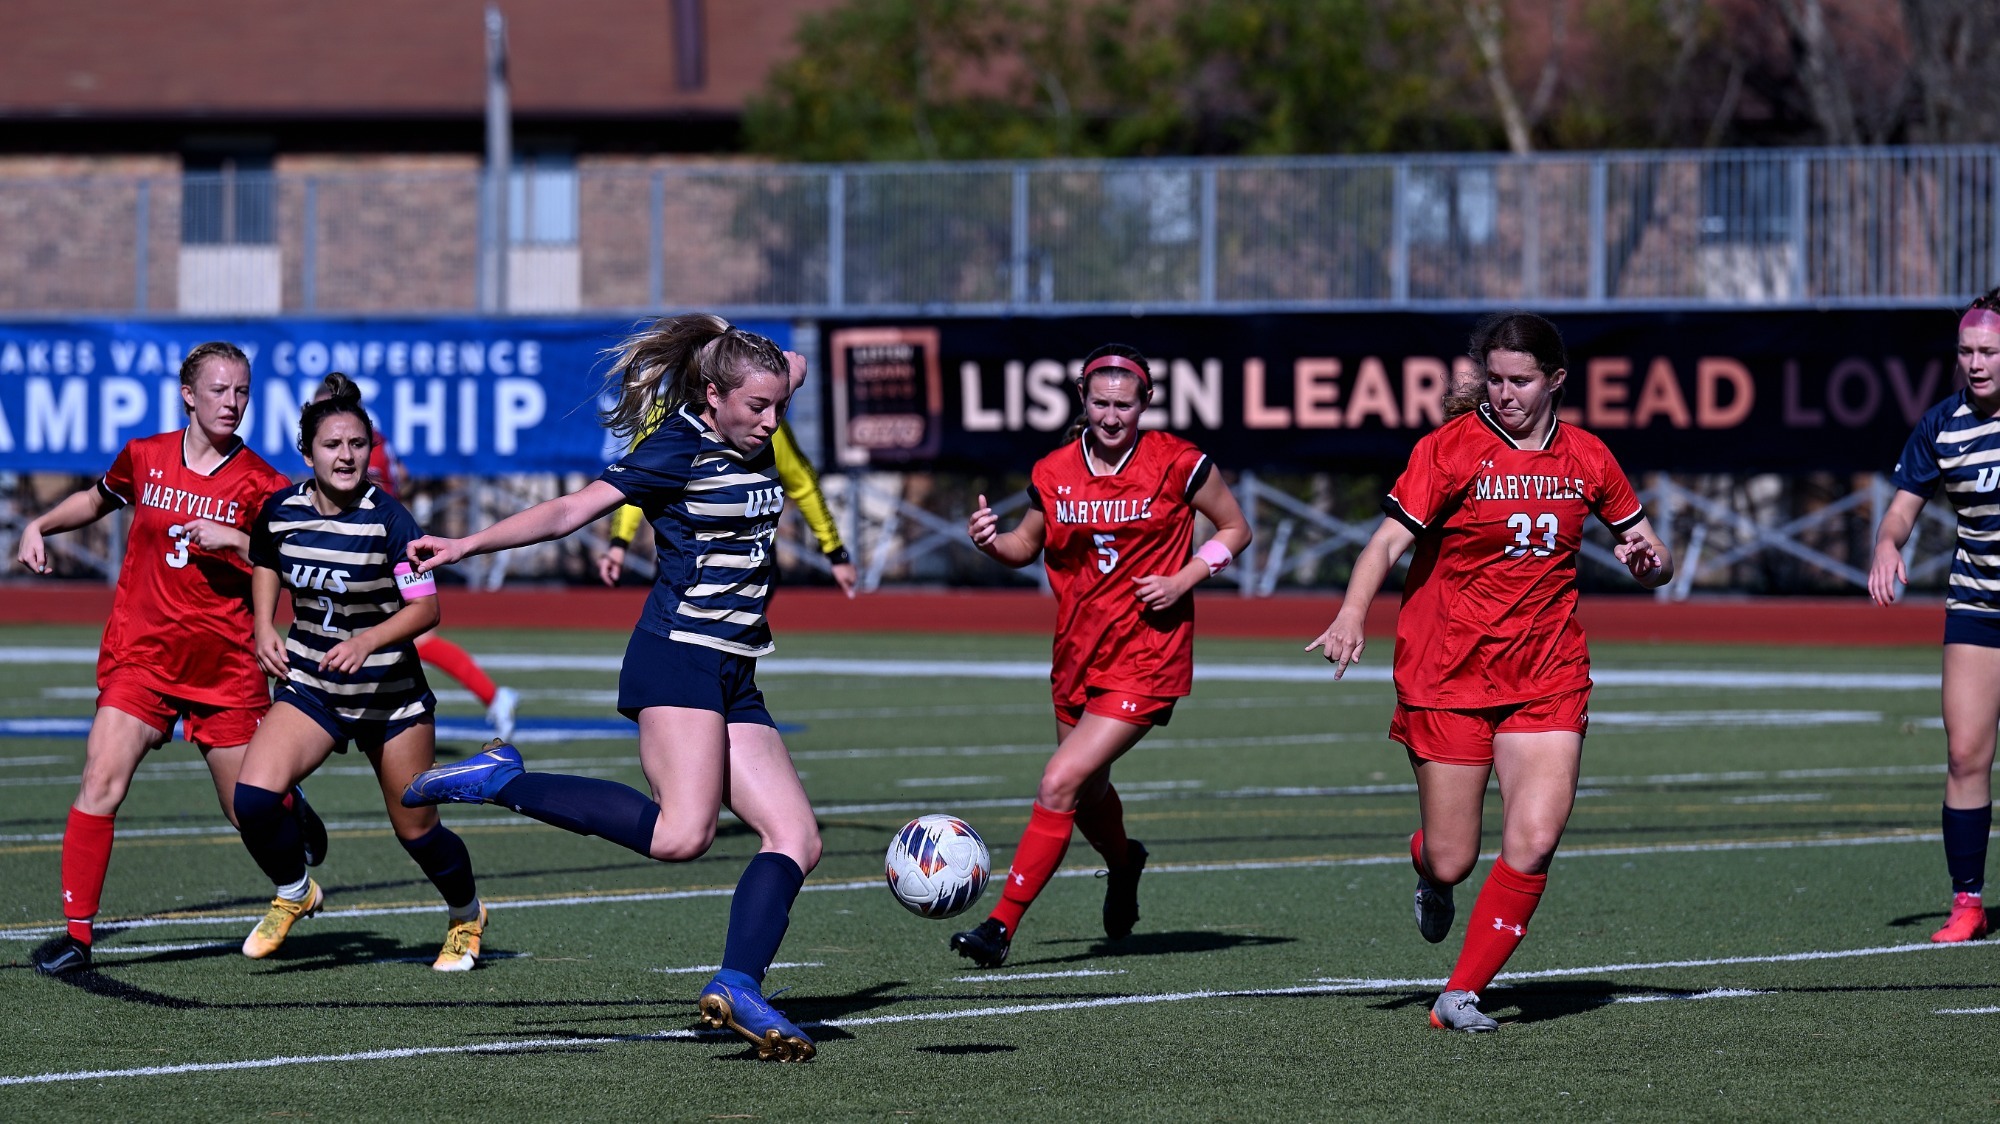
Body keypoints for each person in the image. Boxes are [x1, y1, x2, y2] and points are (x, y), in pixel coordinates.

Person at [397, 314, 822, 1061]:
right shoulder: (676, 448)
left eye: (780, 406)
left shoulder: (754, 399)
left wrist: (725, 336)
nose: (772, 421)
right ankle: (506, 781)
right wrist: (465, 545)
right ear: (714, 395)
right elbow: (569, 511)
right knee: (680, 834)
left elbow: (793, 359)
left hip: (734, 668)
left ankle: (739, 982)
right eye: (757, 407)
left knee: (797, 837)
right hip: (678, 658)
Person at [1307, 313, 1672, 1032]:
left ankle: (1460, 994)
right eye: (1495, 380)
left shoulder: (1589, 457)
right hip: (1449, 672)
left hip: (1549, 671)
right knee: (1451, 860)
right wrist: (1352, 612)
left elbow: (1649, 550)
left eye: (1521, 381)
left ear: (1556, 381)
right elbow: (1384, 543)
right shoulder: (1450, 450)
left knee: (1535, 838)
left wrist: (1652, 564)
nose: (1504, 394)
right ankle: (1428, 873)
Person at [14, 342, 326, 976]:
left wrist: (238, 540)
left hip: (225, 667)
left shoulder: (265, 485)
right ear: (189, 395)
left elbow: (294, 568)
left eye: (242, 392)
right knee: (101, 778)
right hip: (142, 657)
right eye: (219, 391)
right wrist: (39, 526)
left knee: (248, 810)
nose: (232, 403)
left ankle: (289, 816)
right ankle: (78, 936)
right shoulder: (145, 457)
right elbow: (99, 499)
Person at [951, 344, 1252, 968]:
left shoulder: (1178, 462)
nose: (1112, 416)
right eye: (1100, 403)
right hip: (1077, 653)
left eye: (1124, 404)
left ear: (1145, 403)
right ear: (1083, 400)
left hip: (1149, 653)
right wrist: (990, 544)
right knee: (1088, 793)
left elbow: (1235, 529)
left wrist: (1186, 577)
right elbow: (1023, 547)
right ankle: (1124, 861)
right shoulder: (1054, 470)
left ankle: (999, 927)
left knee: (1060, 781)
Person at [230, 374, 487, 968]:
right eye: (332, 445)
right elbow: (265, 559)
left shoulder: (391, 520)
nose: (346, 456)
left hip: (390, 700)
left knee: (417, 832)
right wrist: (262, 626)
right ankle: (295, 891)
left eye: (357, 445)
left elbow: (428, 608)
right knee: (254, 799)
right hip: (314, 688)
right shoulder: (282, 509)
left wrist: (370, 638)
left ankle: (465, 913)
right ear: (307, 452)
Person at [1869, 287, 2000, 943]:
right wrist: (1889, 544)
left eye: (1988, 352)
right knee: (1964, 753)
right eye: (1966, 352)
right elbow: (1902, 507)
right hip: (1978, 607)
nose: (1975, 363)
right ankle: (1968, 903)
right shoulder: (1942, 424)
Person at [307, 375, 521, 740]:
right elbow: (400, 476)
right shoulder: (375, 440)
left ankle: (492, 697)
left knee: (410, 636)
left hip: (380, 550)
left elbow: (367, 492)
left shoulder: (353, 448)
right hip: (380, 546)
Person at [601, 420, 857, 598]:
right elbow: (637, 482)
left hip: (750, 565)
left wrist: (835, 552)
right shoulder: (663, 414)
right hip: (683, 560)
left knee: (731, 663)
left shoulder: (763, 419)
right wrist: (619, 542)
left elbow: (802, 483)